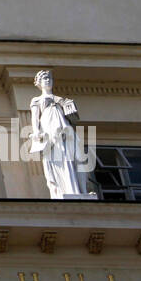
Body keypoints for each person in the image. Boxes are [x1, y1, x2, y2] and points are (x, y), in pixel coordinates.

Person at [28, 69, 92, 198]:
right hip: (50, 130)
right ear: (39, 83)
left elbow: (71, 116)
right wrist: (36, 132)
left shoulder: (60, 99)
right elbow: (35, 118)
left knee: (75, 157)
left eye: (49, 78)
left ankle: (80, 190)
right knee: (57, 157)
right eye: (45, 78)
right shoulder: (37, 100)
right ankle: (63, 190)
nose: (48, 81)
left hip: (66, 130)